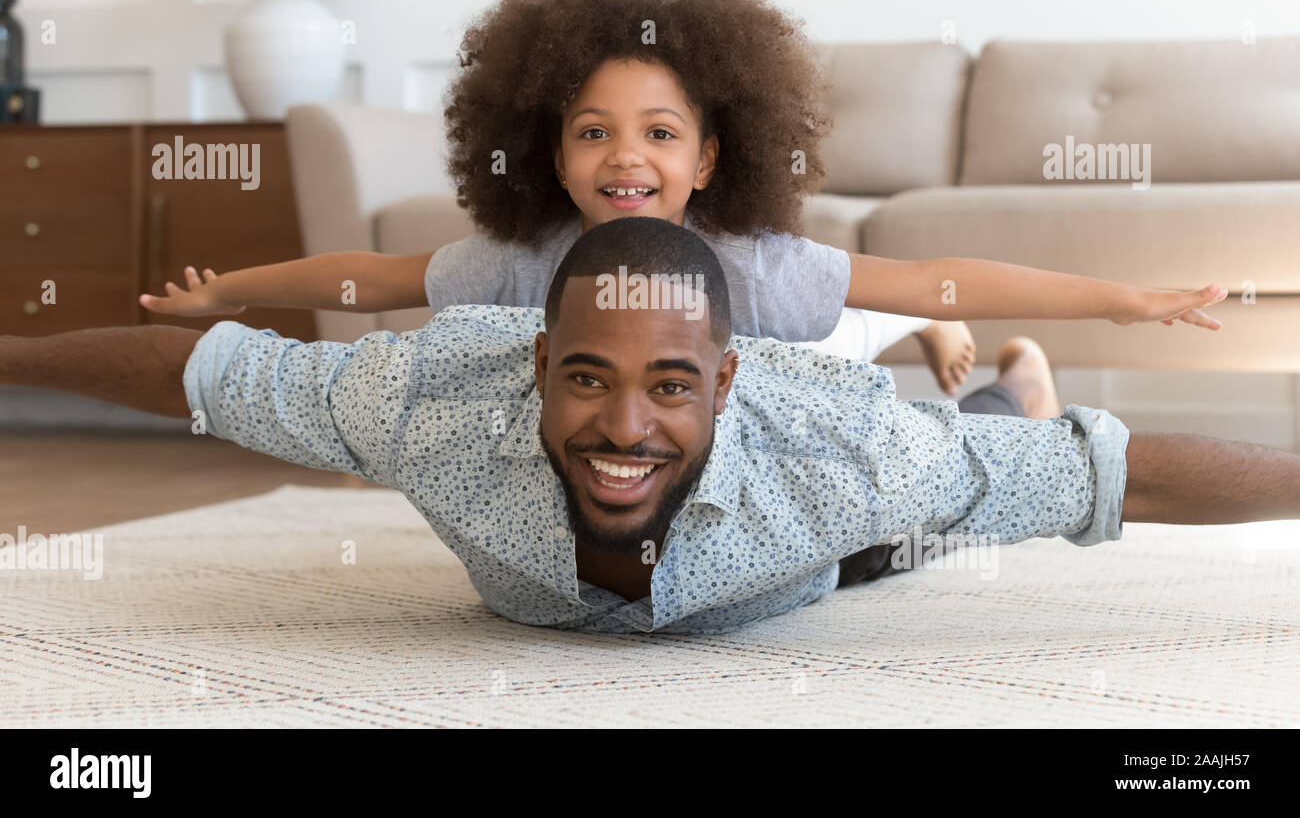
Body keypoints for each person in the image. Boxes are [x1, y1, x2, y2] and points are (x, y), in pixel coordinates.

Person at [8, 218, 1293, 635]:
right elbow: (210, 369)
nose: (621, 424)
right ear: (534, 365)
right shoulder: (426, 396)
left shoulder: (850, 453)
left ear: (725, 383)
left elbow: (1109, 473)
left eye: (670, 385)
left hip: (818, 549)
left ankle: (1013, 379)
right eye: (584, 377)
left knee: (967, 489)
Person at [138, 0, 1225, 401]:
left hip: (803, 410)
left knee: (914, 484)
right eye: (592, 132)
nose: (625, 156)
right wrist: (232, 293)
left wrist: (1121, 300)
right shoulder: (519, 262)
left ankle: (1011, 388)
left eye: (660, 133)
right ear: (552, 155)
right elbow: (369, 277)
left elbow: (940, 273)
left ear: (707, 158)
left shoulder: (754, 265)